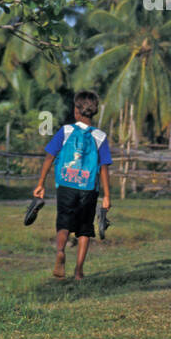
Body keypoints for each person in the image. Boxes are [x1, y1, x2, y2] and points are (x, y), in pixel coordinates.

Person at [29, 91, 113, 281]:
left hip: (66, 185)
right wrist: (107, 195)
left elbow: (49, 157)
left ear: (76, 111)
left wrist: (41, 183)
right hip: (89, 188)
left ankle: (60, 251)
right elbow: (104, 167)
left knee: (64, 222)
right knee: (85, 228)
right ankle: (79, 271)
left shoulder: (65, 131)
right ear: (94, 112)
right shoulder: (100, 136)